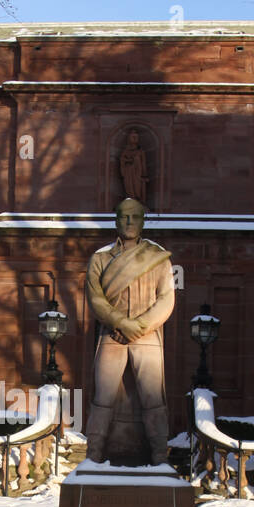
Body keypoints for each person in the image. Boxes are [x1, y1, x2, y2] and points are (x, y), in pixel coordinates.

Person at [84, 197, 174, 464]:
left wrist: (138, 326)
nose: (130, 222)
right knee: (102, 398)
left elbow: (166, 299)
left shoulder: (157, 258)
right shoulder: (99, 260)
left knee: (153, 399)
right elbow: (95, 298)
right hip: (112, 335)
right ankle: (94, 454)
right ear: (116, 221)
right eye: (124, 216)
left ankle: (159, 456)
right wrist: (121, 323)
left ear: (143, 221)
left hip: (147, 336)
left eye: (135, 217)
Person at [119, 129, 148, 205]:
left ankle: (138, 200)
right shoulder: (126, 151)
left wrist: (144, 174)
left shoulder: (140, 151)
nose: (134, 139)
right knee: (129, 187)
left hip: (138, 173)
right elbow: (122, 160)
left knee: (137, 187)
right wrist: (128, 160)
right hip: (128, 172)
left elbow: (143, 163)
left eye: (136, 137)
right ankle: (130, 199)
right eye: (133, 137)